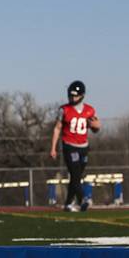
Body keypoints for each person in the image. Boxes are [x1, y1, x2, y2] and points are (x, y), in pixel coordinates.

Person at [48, 79, 100, 212]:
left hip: (83, 146)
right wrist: (53, 147)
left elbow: (96, 128)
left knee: (76, 176)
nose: (73, 98)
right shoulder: (64, 110)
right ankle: (83, 199)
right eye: (71, 95)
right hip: (69, 145)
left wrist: (95, 127)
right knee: (75, 174)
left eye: (75, 95)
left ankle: (68, 204)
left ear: (82, 95)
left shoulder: (90, 110)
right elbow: (57, 129)